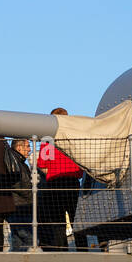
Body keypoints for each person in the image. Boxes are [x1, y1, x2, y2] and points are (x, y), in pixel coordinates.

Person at [37, 107, 87, 251]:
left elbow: (42, 165)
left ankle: (62, 250)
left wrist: (53, 170)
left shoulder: (48, 140)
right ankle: (82, 249)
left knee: (58, 221)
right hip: (73, 183)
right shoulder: (75, 136)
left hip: (55, 183)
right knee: (76, 219)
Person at [6, 138, 36, 251]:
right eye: (27, 146)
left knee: (17, 241)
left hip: (18, 206)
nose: (29, 150)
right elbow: (19, 185)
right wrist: (33, 196)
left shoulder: (19, 162)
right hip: (21, 207)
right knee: (31, 239)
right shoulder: (17, 163)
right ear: (19, 147)